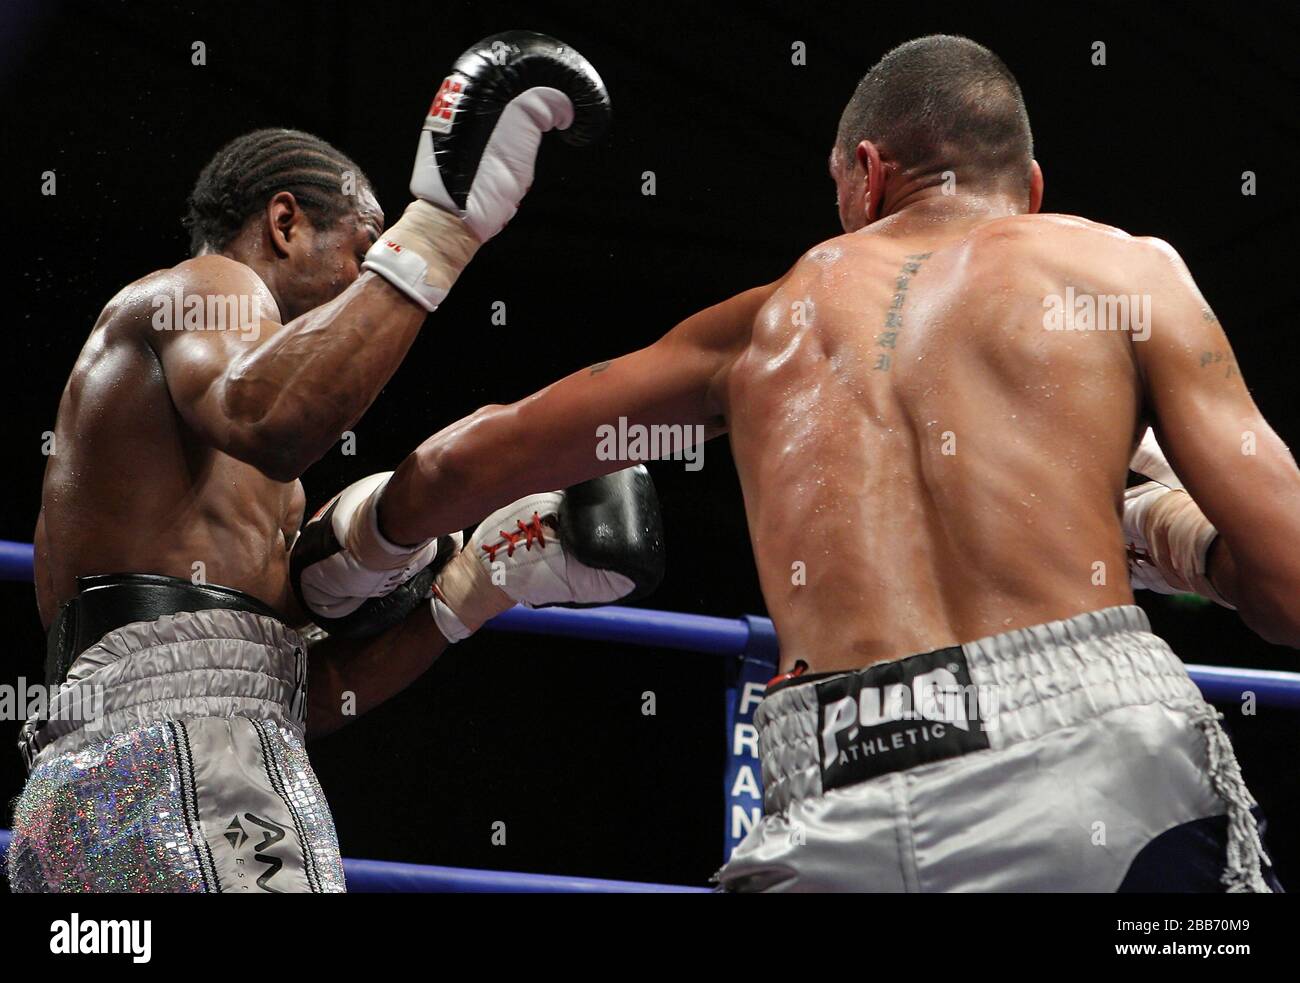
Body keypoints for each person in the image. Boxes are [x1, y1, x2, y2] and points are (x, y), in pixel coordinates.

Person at [305, 35, 1300, 891]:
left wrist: (359, 548)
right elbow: (1291, 586)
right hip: (1091, 758)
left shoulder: (765, 324)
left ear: (864, 173)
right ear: (1029, 191)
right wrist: (1170, 534)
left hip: (833, 789)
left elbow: (487, 453)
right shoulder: (1123, 273)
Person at [7, 32, 651, 894]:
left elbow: (306, 698)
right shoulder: (209, 287)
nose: (366, 280)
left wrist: (473, 590)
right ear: (283, 223)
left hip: (90, 788)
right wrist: (442, 229)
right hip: (191, 761)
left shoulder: (223, 495)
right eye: (362, 247)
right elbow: (270, 415)